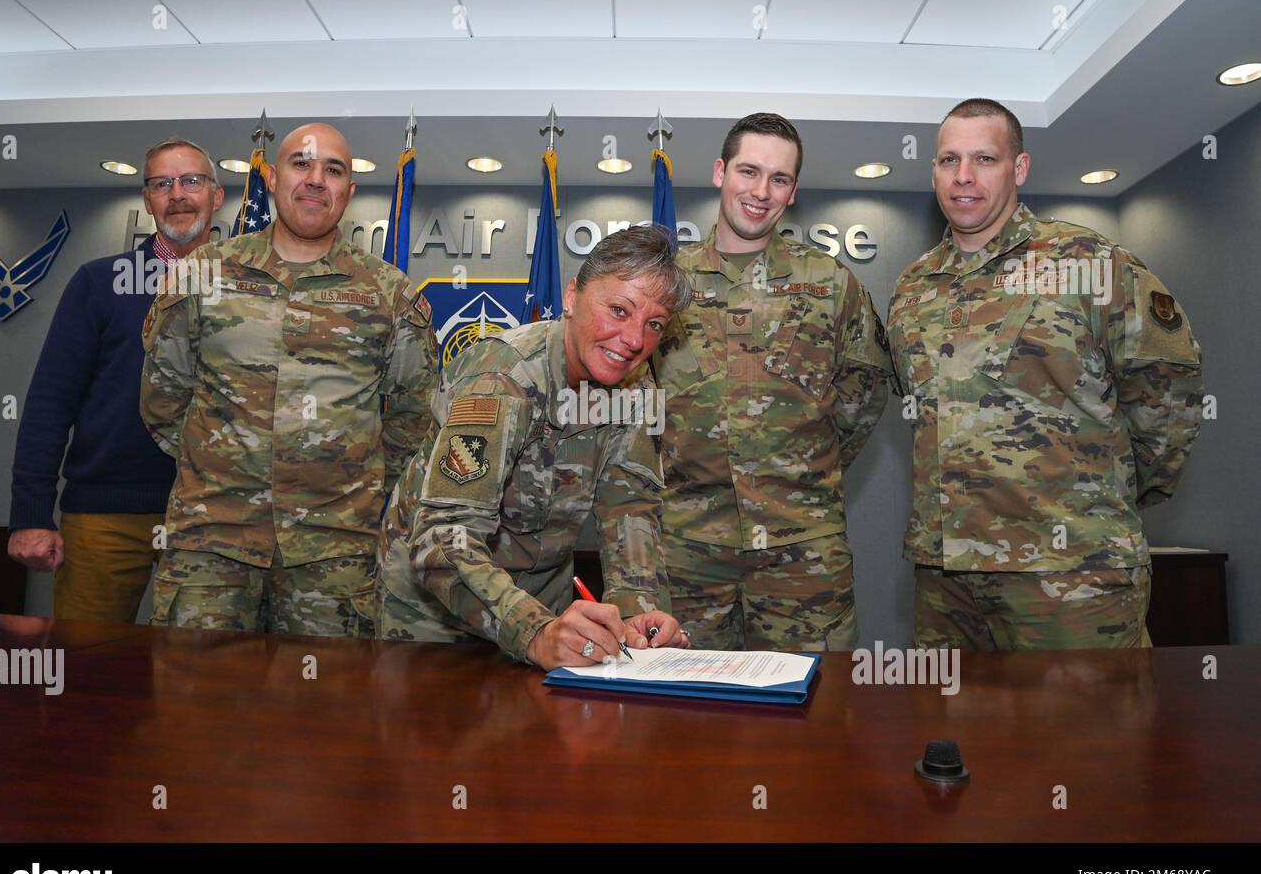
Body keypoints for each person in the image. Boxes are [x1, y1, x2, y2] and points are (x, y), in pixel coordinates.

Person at [889, 98, 1205, 649]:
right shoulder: (912, 288)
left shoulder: (1088, 263)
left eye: (984, 159)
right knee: (951, 733)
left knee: (1087, 736)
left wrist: (1111, 499)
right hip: (945, 581)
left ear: (1020, 168)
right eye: (948, 160)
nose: (963, 177)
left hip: (1072, 572)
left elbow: (1167, 394)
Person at [140, 122, 437, 637]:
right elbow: (164, 398)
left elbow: (415, 416)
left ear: (350, 190)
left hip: (335, 552)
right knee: (195, 708)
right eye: (302, 164)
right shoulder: (204, 274)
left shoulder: (389, 294)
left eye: (334, 170)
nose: (316, 180)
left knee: (324, 712)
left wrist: (352, 483)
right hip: (211, 543)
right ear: (273, 179)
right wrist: (221, 465)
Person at [378, 225, 689, 670]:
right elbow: (443, 539)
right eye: (619, 310)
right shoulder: (504, 377)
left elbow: (630, 509)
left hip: (546, 607)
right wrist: (534, 632)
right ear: (571, 297)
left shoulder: (635, 389)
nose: (635, 340)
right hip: (436, 618)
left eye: (653, 324)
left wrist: (636, 612)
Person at [654, 112, 892, 652]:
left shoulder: (829, 283)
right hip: (688, 549)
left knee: (820, 711)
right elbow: (625, 396)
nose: (761, 191)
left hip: (803, 550)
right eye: (749, 171)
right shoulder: (666, 283)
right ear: (720, 173)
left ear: (793, 192)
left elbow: (864, 394)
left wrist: (797, 468)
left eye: (779, 179)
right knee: (682, 714)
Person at [8, 138, 225, 622]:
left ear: (217, 195)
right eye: (161, 184)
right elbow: (48, 402)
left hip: (215, 515)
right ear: (147, 199)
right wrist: (29, 516)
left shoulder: (247, 290)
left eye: (192, 180)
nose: (178, 194)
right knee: (85, 669)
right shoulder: (100, 283)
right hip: (104, 515)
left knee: (203, 674)